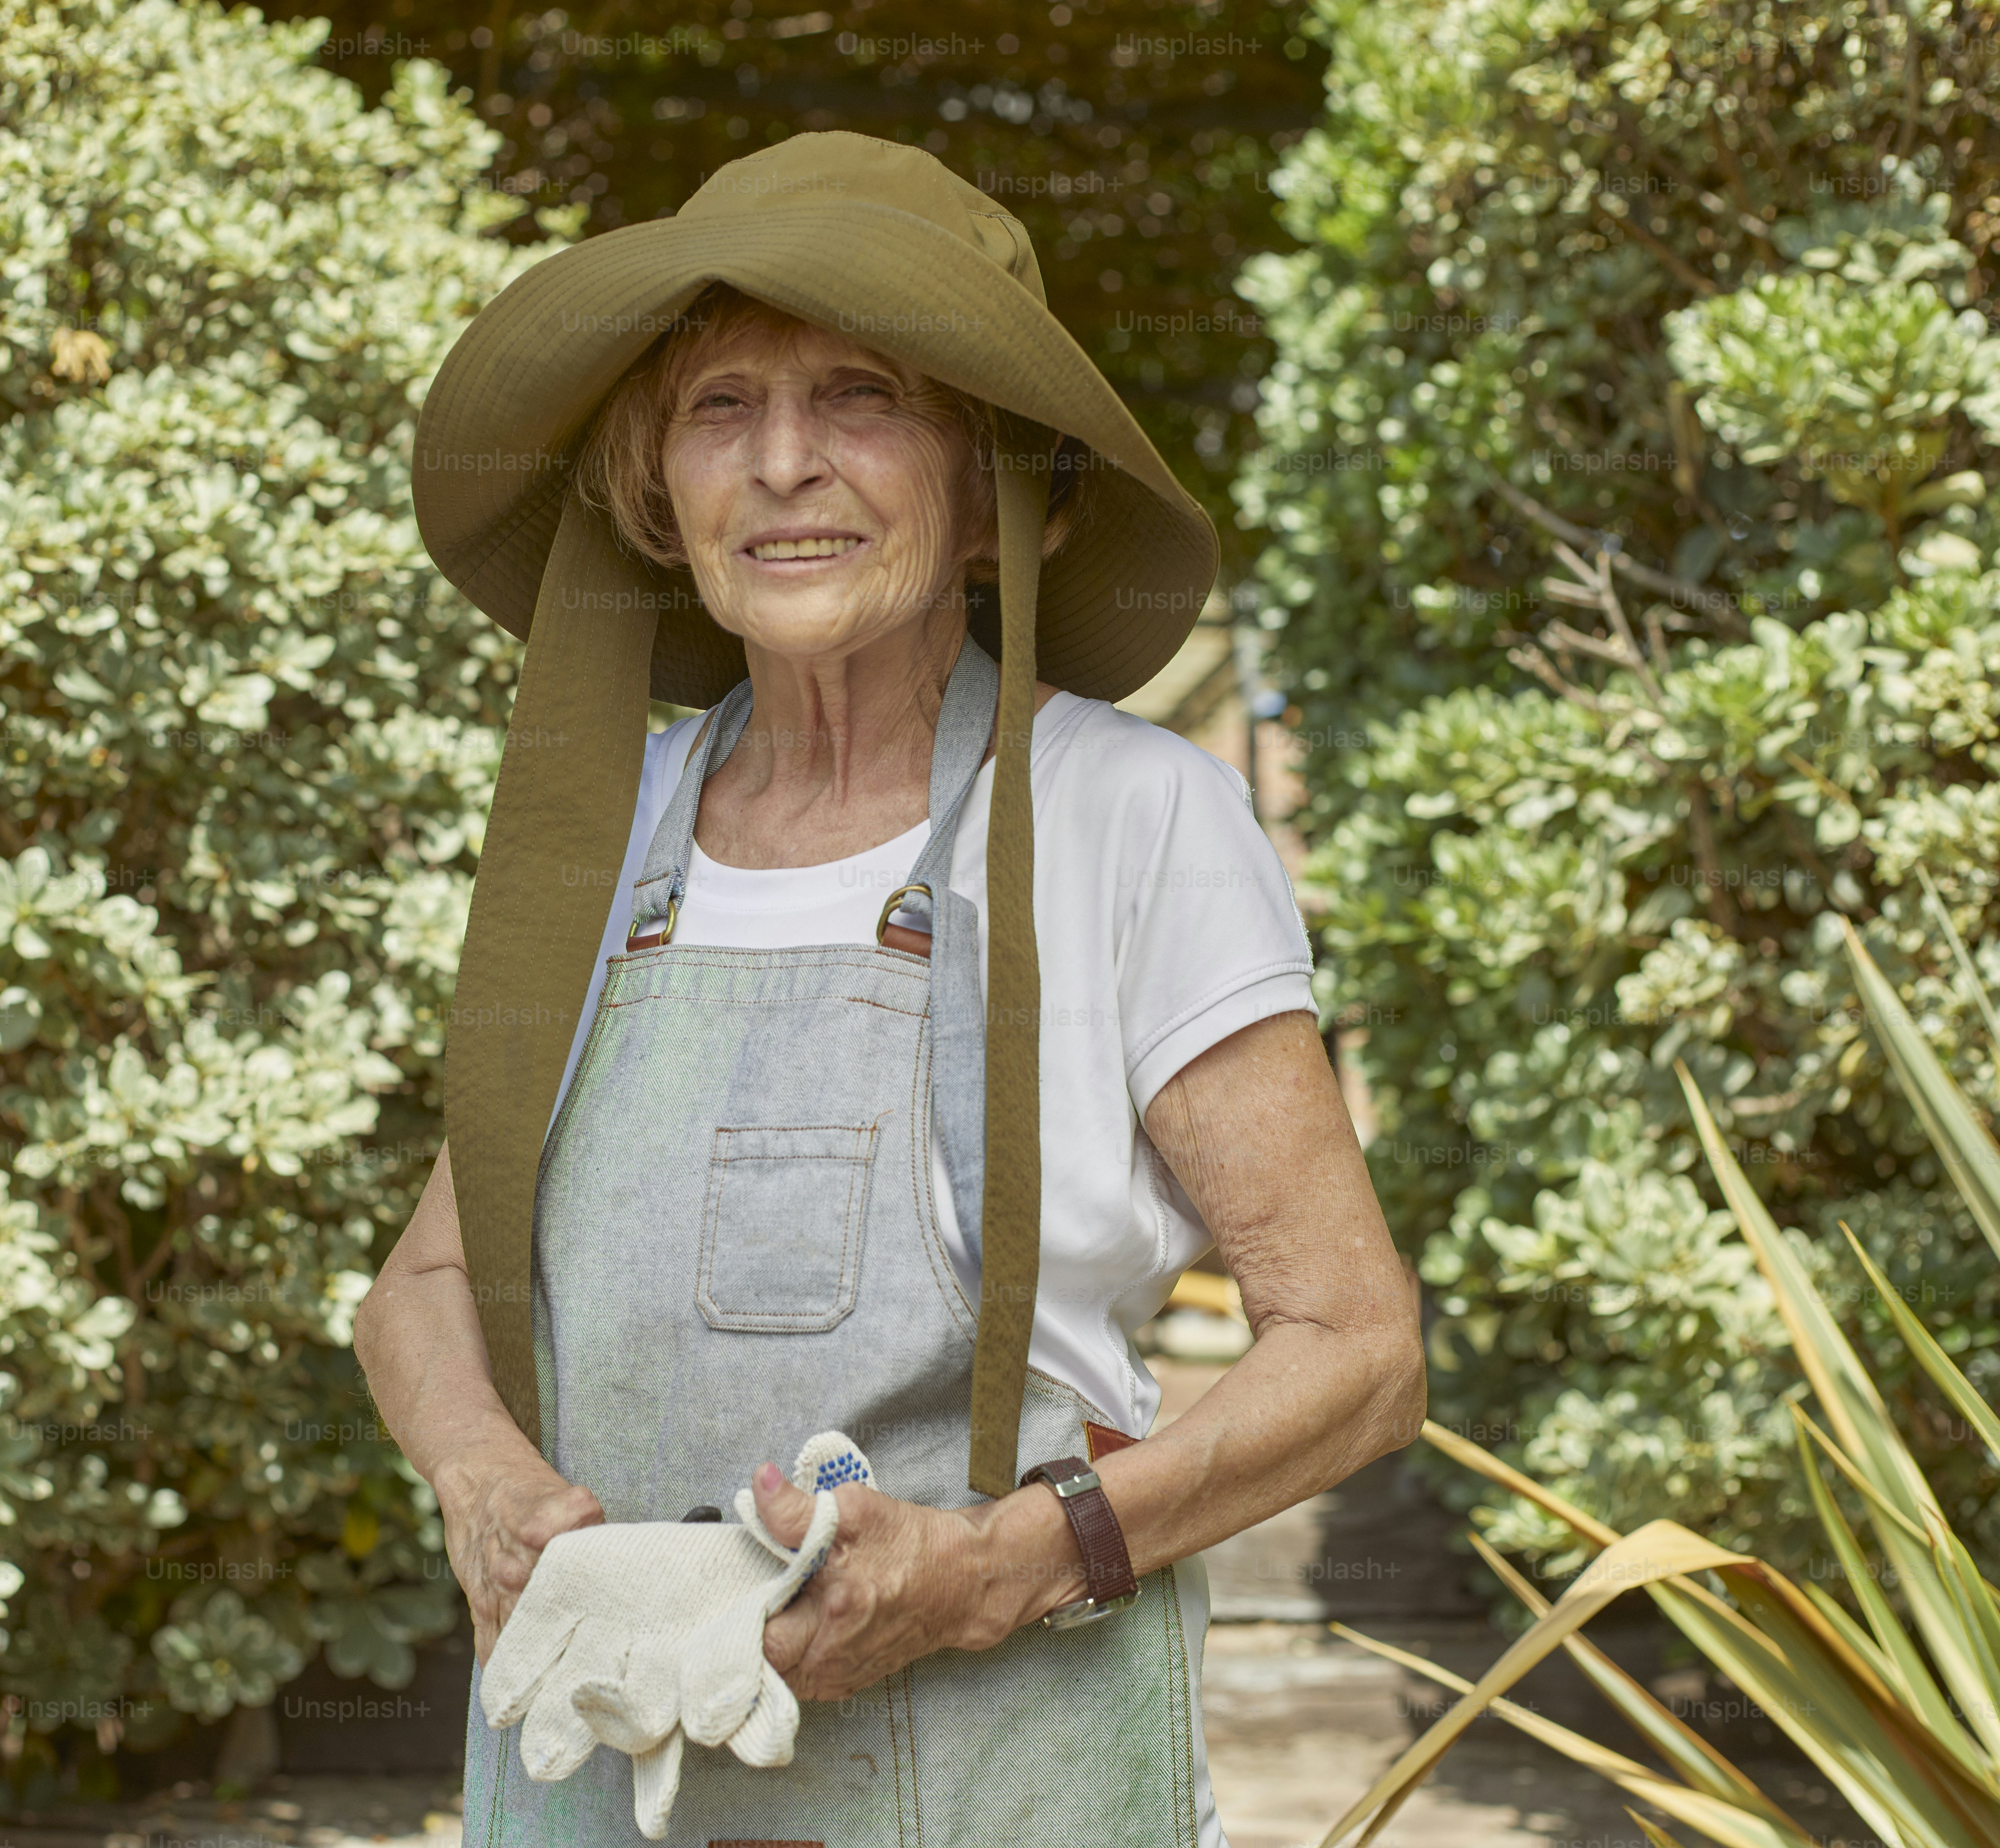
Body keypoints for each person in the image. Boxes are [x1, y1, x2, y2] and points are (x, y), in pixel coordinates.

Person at [354, 130, 1424, 1845]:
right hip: (602, 1776)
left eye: (858, 396)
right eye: (719, 407)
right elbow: (423, 1285)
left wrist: (1005, 1566)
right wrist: (485, 1486)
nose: (783, 463)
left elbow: (1358, 1352)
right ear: (655, 481)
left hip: (1012, 1779)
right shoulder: (599, 829)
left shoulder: (1123, 814)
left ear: (989, 471)